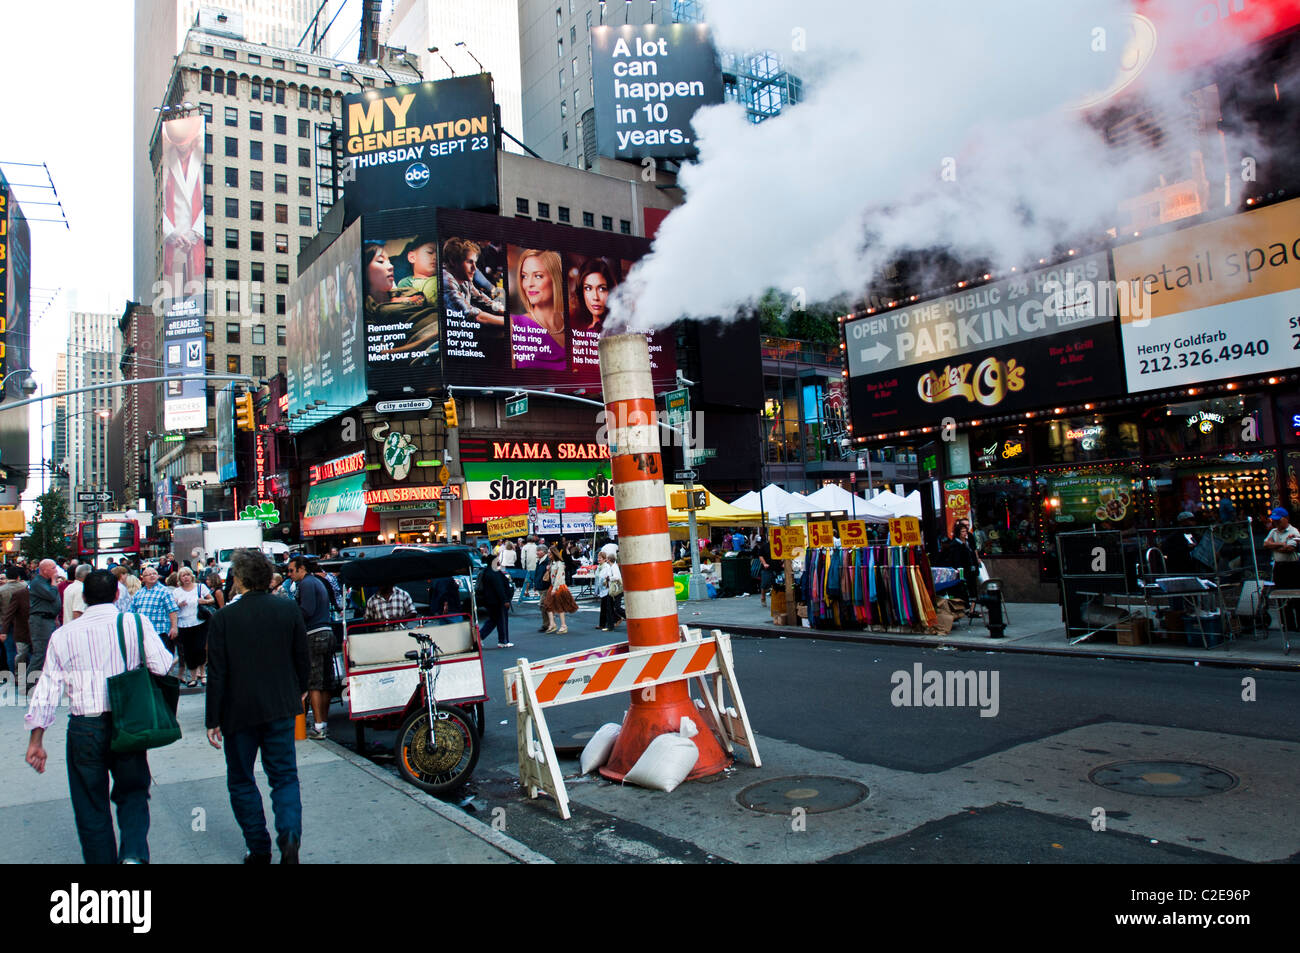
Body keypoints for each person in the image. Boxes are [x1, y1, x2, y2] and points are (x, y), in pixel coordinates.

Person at [25, 570, 174, 864]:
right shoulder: (134, 623)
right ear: (117, 595)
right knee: (132, 792)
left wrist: (36, 740)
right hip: (129, 722)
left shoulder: (63, 635)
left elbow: (47, 689)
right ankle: (132, 855)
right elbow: (162, 665)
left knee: (90, 804)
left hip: (84, 726)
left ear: (84, 598)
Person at [205, 549, 309, 864]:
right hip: (279, 705)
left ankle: (258, 846)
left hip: (238, 711)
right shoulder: (287, 610)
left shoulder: (223, 618)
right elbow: (301, 659)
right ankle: (289, 836)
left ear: (239, 579)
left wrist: (213, 718)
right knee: (284, 777)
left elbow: (217, 672)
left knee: (240, 778)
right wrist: (299, 691)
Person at [287, 556, 334, 741]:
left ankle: (318, 725)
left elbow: (306, 610)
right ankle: (323, 723)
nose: (289, 574)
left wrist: (291, 615)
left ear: (301, 569)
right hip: (327, 631)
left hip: (314, 633)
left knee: (314, 682)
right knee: (326, 682)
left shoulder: (306, 584)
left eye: (292, 570)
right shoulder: (317, 581)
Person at [510, 249, 567, 371]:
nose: (529, 284)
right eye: (524, 276)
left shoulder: (575, 332)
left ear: (556, 279)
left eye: (538, 276)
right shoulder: (514, 324)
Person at [441, 237, 505, 326]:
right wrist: (510, 322)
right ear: (453, 261)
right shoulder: (445, 280)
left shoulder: (463, 278)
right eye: (469, 262)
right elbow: (474, 315)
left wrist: (501, 309)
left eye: (475, 263)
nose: (474, 268)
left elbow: (480, 297)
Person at [129, 566, 180, 674]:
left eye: (154, 573)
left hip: (160, 632)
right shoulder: (139, 593)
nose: (152, 576)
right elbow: (132, 612)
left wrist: (174, 627)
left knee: (162, 663)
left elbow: (172, 610)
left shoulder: (164, 591)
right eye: (149, 574)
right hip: (143, 633)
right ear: (143, 578)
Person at [172, 567, 215, 688]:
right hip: (184, 624)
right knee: (188, 651)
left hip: (199, 622)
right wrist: (178, 604)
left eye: (188, 575)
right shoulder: (177, 591)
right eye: (183, 575)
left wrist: (204, 601)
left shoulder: (200, 587)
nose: (186, 577)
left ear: (192, 576)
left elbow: (211, 599)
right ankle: (193, 677)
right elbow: (173, 607)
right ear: (180, 578)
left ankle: (203, 674)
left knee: (200, 648)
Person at [1264, 506, 1300, 630]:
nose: (1276, 522)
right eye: (1275, 520)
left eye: (1279, 520)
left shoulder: (1293, 531)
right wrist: (1280, 544)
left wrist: (1274, 547)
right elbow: (1266, 544)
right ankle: (1287, 624)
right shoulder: (1273, 532)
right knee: (1281, 596)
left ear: (1286, 519)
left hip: (1292, 567)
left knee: (1296, 597)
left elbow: (1289, 549)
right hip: (1279, 567)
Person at [28, 559, 63, 675]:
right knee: (41, 652)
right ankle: (29, 683)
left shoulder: (46, 582)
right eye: (53, 568)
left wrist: (56, 617)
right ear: (44, 570)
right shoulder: (38, 582)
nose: (56, 571)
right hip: (40, 620)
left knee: (49, 651)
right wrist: (54, 581)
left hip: (49, 619)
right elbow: (52, 595)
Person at [572, 257, 618, 332]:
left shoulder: (617, 328)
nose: (595, 297)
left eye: (601, 289)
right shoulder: (580, 330)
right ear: (582, 292)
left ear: (610, 291)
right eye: (588, 288)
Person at [475, 558, 514, 648]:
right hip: (498, 601)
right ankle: (503, 641)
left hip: (489, 600)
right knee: (502, 620)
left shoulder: (485, 572)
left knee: (493, 619)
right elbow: (499, 588)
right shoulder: (495, 573)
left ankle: (480, 636)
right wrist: (505, 600)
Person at [0, 565, 30, 675]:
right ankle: (26, 674)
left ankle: (13, 674)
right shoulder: (24, 586)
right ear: (18, 576)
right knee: (23, 650)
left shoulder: (2, 590)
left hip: (4, 623)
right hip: (22, 622)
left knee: (10, 650)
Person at [541, 544, 577, 633]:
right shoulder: (553, 563)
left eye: (549, 553)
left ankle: (563, 625)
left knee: (559, 606)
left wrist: (554, 588)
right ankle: (552, 624)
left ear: (553, 553)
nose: (548, 554)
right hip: (554, 586)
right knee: (548, 605)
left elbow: (559, 577)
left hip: (559, 586)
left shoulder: (560, 564)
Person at [595, 552, 620, 632]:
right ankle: (612, 621)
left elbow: (612, 577)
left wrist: (608, 578)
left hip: (607, 589)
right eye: (598, 558)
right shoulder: (599, 567)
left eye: (600, 558)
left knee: (607, 607)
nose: (598, 559)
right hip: (603, 589)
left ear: (606, 559)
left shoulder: (608, 567)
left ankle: (606, 624)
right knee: (607, 607)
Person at [755, 536, 776, 607]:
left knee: (777, 584)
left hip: (777, 567)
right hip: (767, 568)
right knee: (764, 584)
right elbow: (760, 556)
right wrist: (764, 563)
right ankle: (763, 598)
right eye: (770, 536)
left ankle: (776, 599)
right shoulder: (764, 546)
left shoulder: (778, 544)